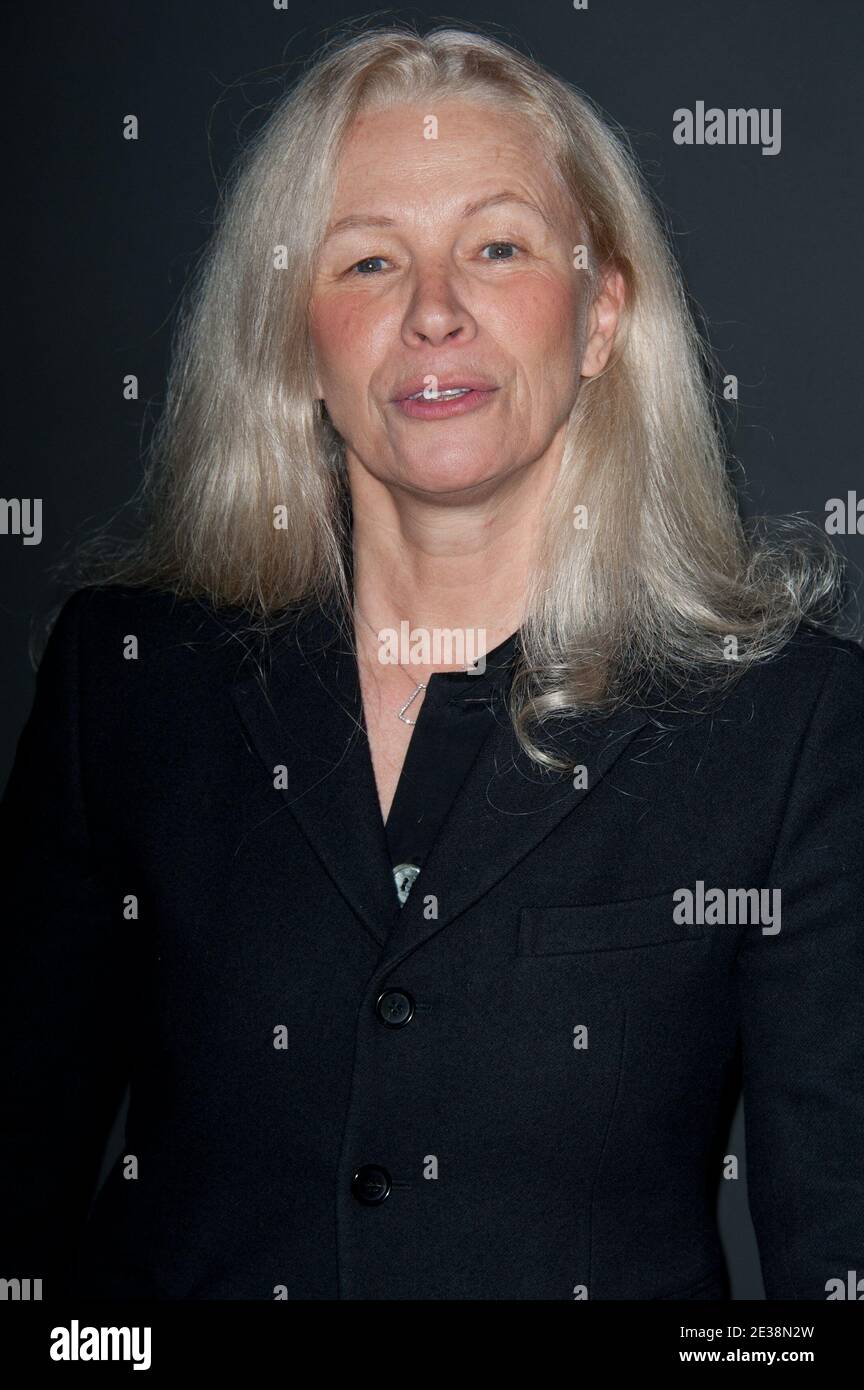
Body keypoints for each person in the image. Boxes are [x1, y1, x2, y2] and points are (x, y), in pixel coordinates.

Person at [1, 23, 862, 1302]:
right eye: (368, 260)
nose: (435, 312)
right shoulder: (124, 681)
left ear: (601, 316)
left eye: (498, 246)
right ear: (299, 342)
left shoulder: (792, 729)